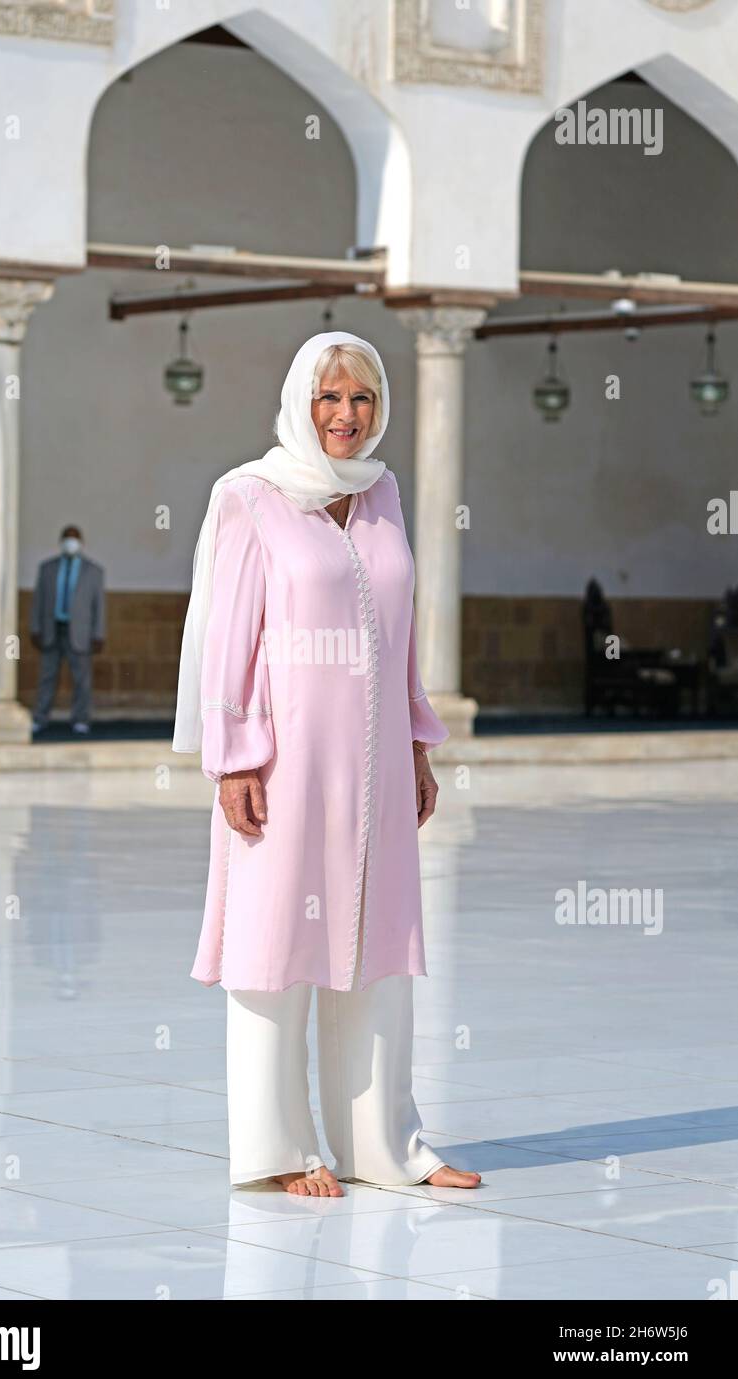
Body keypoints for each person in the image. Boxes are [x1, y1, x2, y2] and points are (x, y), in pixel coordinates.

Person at [172, 330, 481, 1197]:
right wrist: (232, 758)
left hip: (376, 768)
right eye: (330, 398)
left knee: (377, 947)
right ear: (300, 402)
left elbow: (400, 630)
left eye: (363, 400)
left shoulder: (381, 495)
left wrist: (418, 744)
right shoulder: (251, 497)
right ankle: (279, 1152)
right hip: (285, 765)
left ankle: (385, 1148)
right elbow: (229, 637)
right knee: (273, 949)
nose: (346, 416)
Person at [30, 525, 105, 736]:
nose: (70, 542)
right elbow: (38, 601)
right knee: (47, 677)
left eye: (74, 538)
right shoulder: (47, 568)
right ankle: (40, 717)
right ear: (61, 541)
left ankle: (81, 719)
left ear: (81, 542)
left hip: (80, 633)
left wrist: (98, 634)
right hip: (52, 629)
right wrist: (35, 627)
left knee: (82, 679)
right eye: (67, 538)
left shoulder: (94, 571)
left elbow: (99, 605)